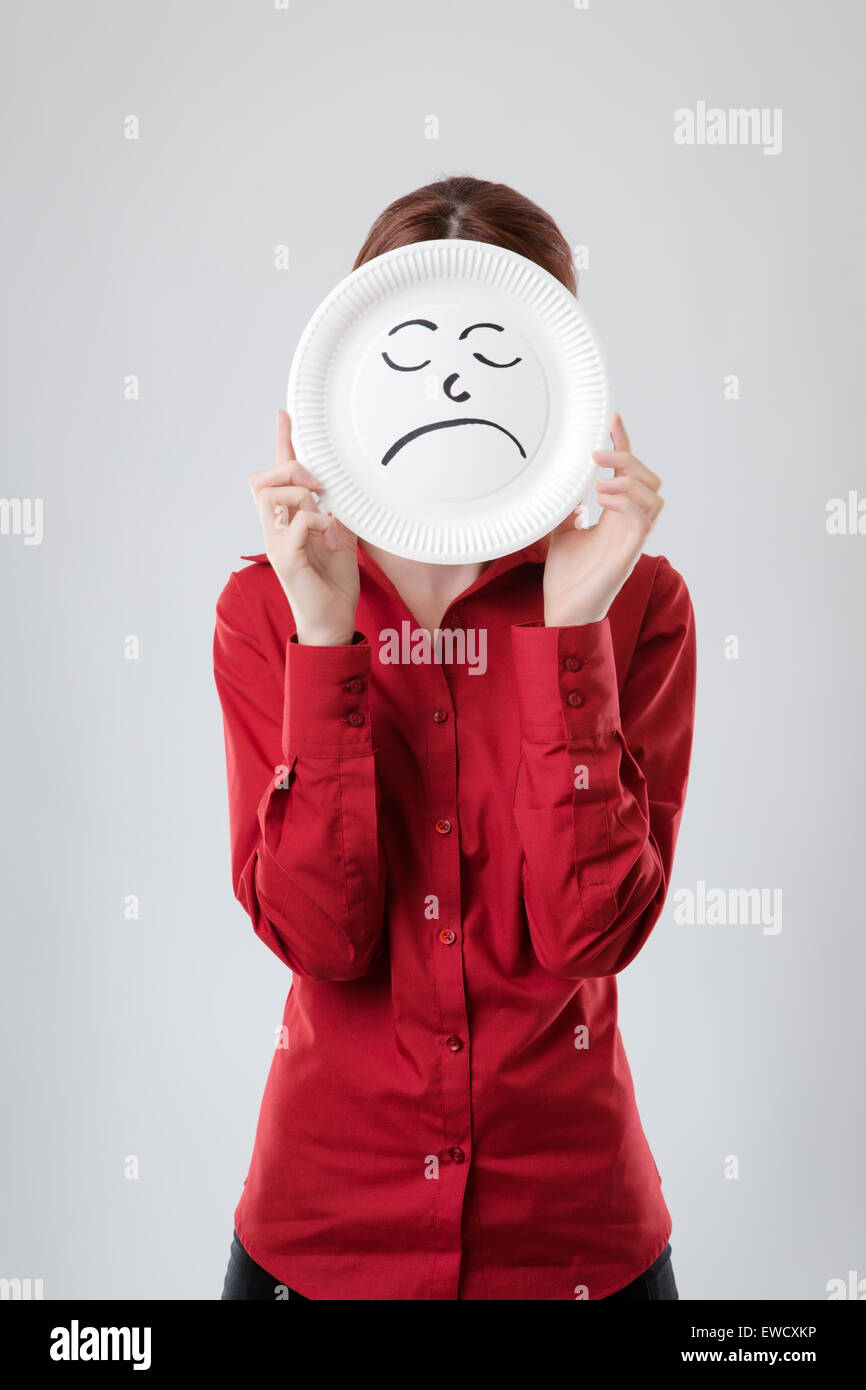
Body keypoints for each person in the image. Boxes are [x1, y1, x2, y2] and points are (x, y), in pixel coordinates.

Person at [213, 175, 696, 1301]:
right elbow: (318, 937)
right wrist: (325, 635)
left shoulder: (638, 606)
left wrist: (566, 633)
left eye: (493, 348)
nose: (452, 379)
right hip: (323, 1240)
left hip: (573, 1238)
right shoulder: (266, 612)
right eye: (414, 347)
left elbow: (593, 932)